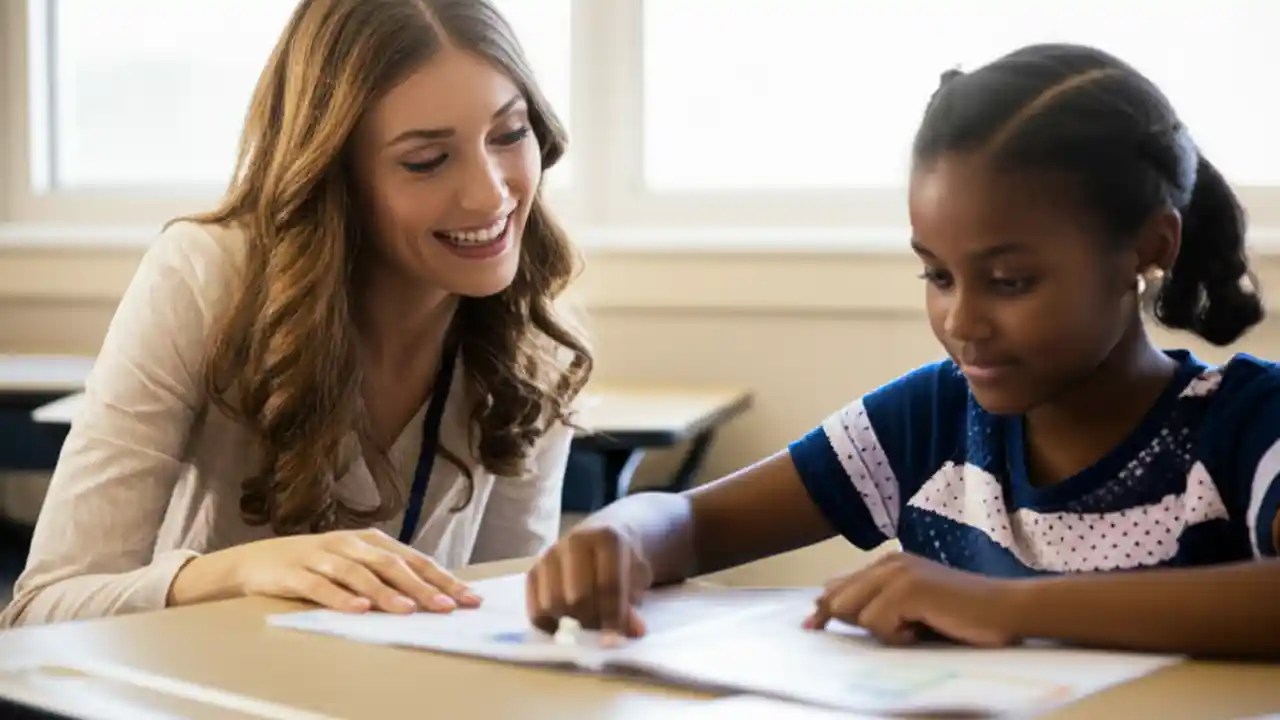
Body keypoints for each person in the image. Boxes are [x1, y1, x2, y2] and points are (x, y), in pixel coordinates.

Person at [526, 43, 1280, 658]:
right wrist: (621, 532)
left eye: (1010, 281)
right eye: (938, 274)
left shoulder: (1243, 427)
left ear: (1148, 247)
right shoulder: (930, 420)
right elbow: (693, 525)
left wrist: (1008, 607)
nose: (963, 320)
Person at [1, 0, 590, 628]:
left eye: (509, 134)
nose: (491, 194)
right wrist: (238, 572)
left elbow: (501, 625)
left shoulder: (538, 346)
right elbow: (40, 612)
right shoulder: (204, 278)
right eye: (426, 161)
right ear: (335, 175)